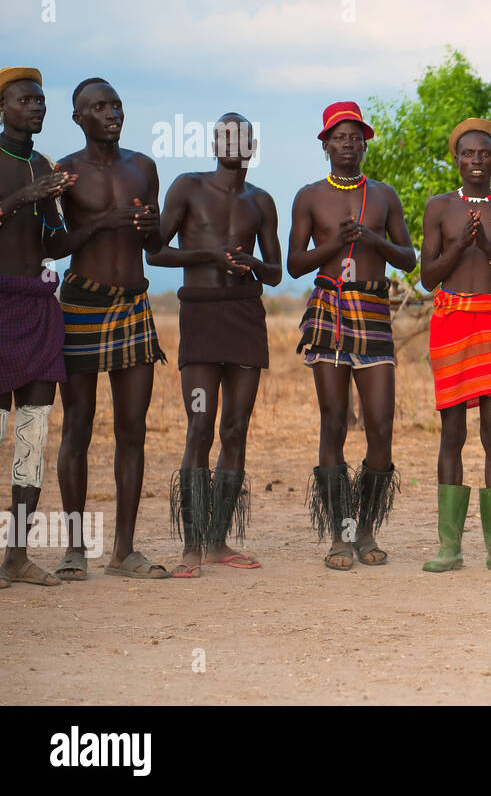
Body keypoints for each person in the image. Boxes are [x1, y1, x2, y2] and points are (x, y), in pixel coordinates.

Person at [148, 113, 281, 578]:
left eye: (243, 136)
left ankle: (218, 542)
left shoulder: (261, 201)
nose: (234, 143)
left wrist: (250, 263)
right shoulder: (188, 187)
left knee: (235, 429)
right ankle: (191, 547)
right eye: (226, 136)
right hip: (201, 317)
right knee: (200, 426)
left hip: (245, 319)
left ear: (252, 146)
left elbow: (276, 272)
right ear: (213, 144)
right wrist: (209, 255)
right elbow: (155, 252)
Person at [48, 78, 168, 581]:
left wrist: (151, 228)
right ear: (79, 118)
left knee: (132, 430)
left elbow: (156, 248)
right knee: (77, 427)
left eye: (116, 104)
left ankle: (124, 551)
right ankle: (75, 549)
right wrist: (101, 222)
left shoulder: (144, 167)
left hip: (133, 305)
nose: (112, 113)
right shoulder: (64, 172)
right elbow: (53, 246)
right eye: (99, 107)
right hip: (81, 304)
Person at [287, 101, 416, 571]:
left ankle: (367, 529)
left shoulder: (383, 196)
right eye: (339, 137)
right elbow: (294, 265)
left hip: (373, 310)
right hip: (329, 308)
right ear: (325, 145)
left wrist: (372, 240)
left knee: (381, 425)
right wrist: (335, 244)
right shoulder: (309, 196)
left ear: (365, 145)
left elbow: (408, 258)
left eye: (355, 138)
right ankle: (340, 536)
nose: (348, 144)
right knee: (334, 422)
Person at [419, 117, 491, 573]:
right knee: (452, 434)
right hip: (451, 330)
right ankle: (448, 547)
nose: (476, 161)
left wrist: (489, 249)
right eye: (468, 153)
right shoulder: (439, 208)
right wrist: (459, 247)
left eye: (485, 153)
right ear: (456, 159)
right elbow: (428, 277)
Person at [0, 67, 76, 587]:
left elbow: (54, 243)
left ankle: (18, 556)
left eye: (41, 100)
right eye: (25, 100)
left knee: (32, 440)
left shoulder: (45, 166)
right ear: (2, 107)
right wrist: (25, 197)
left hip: (38, 309)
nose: (36, 107)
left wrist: (105, 221)